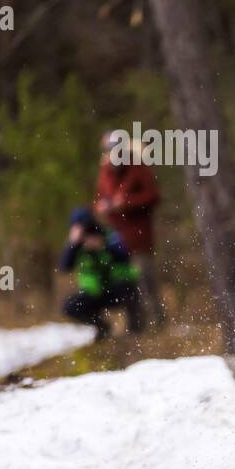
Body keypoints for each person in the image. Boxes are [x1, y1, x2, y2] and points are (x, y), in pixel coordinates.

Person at [94, 130, 164, 325]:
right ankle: (136, 325)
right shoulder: (105, 172)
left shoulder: (138, 168)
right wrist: (103, 206)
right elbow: (99, 198)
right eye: (108, 149)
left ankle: (157, 322)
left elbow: (153, 196)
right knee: (125, 283)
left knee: (145, 280)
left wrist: (125, 202)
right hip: (116, 239)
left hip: (139, 236)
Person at [59, 206, 144, 340]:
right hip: (94, 291)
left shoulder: (108, 234)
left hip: (116, 286)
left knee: (130, 290)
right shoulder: (76, 245)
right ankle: (102, 327)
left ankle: (136, 330)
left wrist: (103, 246)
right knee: (70, 307)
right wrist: (73, 245)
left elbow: (125, 255)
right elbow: (64, 267)